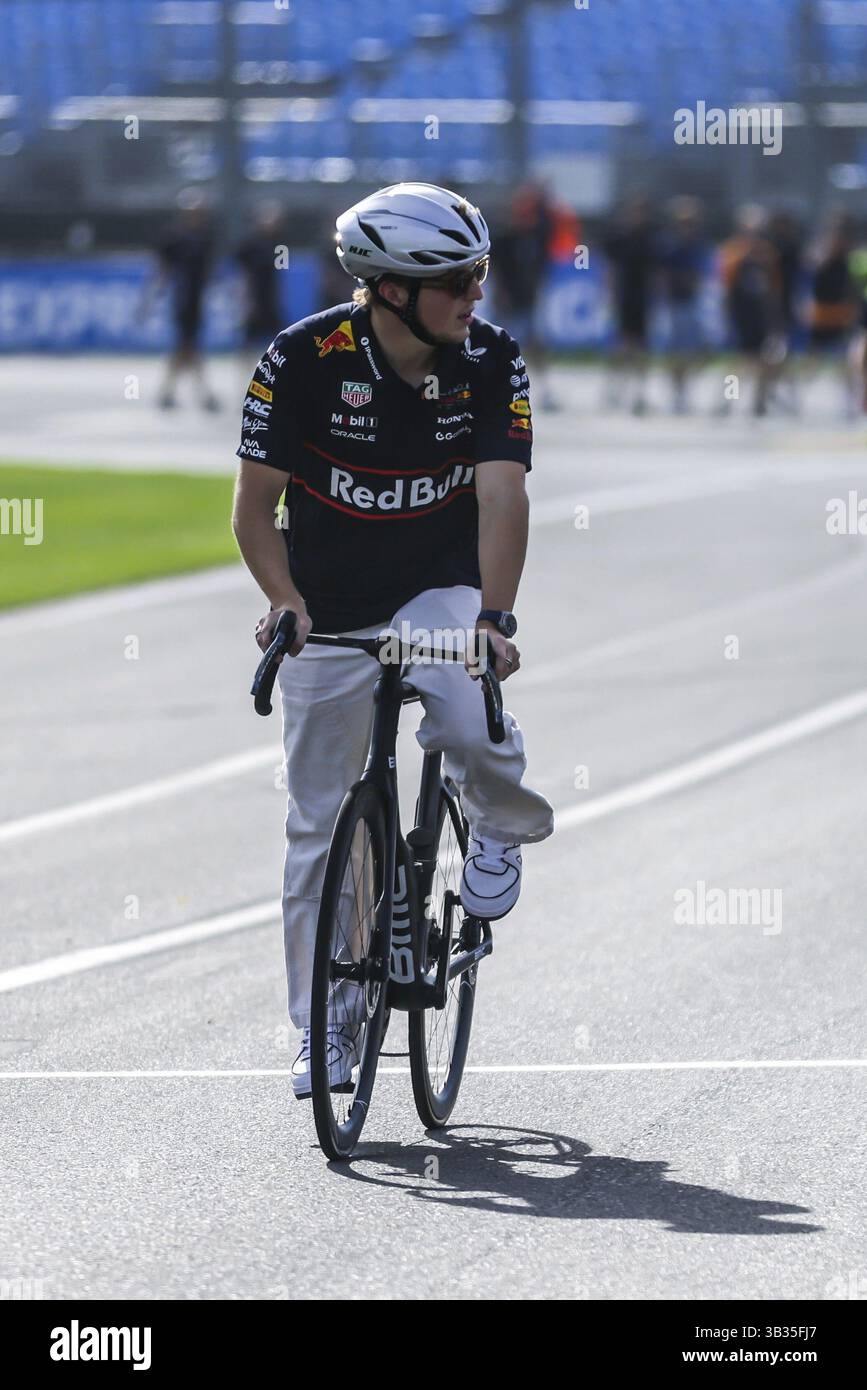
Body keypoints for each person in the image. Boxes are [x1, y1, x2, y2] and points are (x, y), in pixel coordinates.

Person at [231, 183, 554, 1099]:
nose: (476, 294)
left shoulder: (492, 359)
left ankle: (496, 821)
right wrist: (282, 598)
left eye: (480, 274)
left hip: (437, 591)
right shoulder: (300, 359)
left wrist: (494, 617)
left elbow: (502, 495)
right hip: (326, 600)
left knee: (464, 713)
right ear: (388, 287)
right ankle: (321, 1030)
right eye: (456, 279)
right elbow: (255, 506)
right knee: (316, 827)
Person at [150, 196, 220, 412]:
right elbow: (163, 268)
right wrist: (155, 293)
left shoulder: (205, 238)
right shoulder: (174, 238)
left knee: (187, 347)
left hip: (196, 299)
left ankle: (169, 392)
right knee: (188, 346)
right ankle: (202, 394)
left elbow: (209, 268)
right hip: (182, 298)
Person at [718, 205, 784, 417]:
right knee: (740, 361)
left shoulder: (768, 254)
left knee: (766, 361)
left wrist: (774, 318)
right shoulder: (733, 253)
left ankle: (759, 401)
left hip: (761, 315)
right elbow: (725, 288)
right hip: (740, 314)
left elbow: (774, 289)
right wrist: (726, 318)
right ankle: (731, 400)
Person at [603, 194, 657, 415]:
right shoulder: (620, 238)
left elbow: (656, 271)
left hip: (643, 298)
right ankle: (615, 388)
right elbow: (611, 269)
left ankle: (640, 392)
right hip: (624, 297)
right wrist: (610, 294)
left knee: (641, 346)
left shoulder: (651, 239)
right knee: (621, 344)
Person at [655, 196, 708, 413]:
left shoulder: (697, 243)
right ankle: (676, 393)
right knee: (674, 351)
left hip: (691, 301)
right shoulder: (669, 244)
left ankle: (684, 390)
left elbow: (700, 273)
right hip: (673, 302)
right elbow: (661, 274)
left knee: (693, 351)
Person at [235, 202, 286, 352]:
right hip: (254, 295)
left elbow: (281, 271)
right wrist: (245, 298)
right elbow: (242, 273)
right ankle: (244, 371)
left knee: (279, 337)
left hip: (271, 297)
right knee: (248, 338)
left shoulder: (280, 245)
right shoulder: (249, 245)